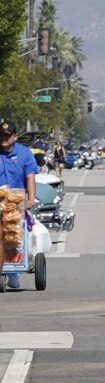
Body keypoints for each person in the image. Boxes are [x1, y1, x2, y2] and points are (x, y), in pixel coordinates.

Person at [0, 119, 38, 290]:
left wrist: (30, 199)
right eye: (1, 135)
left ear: (14, 136)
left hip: (16, 200)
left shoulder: (24, 153)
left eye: (7, 136)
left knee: (14, 234)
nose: (3, 139)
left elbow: (30, 177)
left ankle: (12, 271)